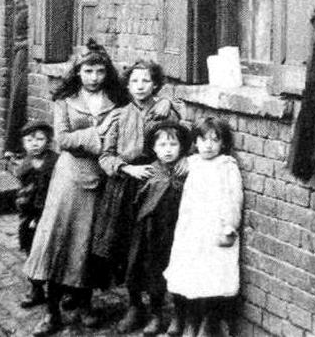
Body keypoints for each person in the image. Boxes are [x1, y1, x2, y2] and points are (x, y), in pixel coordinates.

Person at [23, 39, 129, 337]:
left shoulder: (117, 101)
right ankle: (52, 312)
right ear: (78, 72)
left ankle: (84, 304)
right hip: (70, 180)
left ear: (107, 73)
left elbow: (121, 138)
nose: (94, 77)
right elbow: (63, 140)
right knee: (60, 241)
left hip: (101, 178)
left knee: (89, 245)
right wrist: (97, 133)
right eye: (88, 71)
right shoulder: (65, 101)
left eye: (99, 71)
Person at [92, 60, 179, 294]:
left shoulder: (165, 111)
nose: (140, 86)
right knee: (127, 246)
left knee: (153, 246)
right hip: (125, 186)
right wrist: (126, 168)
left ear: (155, 85)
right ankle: (134, 304)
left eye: (146, 81)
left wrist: (168, 102)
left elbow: (177, 144)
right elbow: (106, 156)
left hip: (155, 186)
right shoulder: (119, 115)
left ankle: (157, 308)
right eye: (134, 81)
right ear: (128, 86)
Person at [164, 117, 243, 337]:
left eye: (214, 140)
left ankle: (208, 322)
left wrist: (229, 226)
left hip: (214, 230)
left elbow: (234, 200)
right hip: (191, 229)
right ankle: (188, 318)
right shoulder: (192, 163)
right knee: (189, 273)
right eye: (203, 139)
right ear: (195, 142)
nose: (208, 145)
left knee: (211, 276)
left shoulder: (227, 167)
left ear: (223, 144)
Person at [118, 121, 191, 336]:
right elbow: (137, 205)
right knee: (152, 273)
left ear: (182, 147)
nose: (168, 150)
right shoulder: (149, 171)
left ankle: (179, 316)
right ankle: (156, 315)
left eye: (173, 144)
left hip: (178, 233)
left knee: (179, 273)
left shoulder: (186, 170)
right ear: (153, 147)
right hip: (151, 233)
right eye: (162, 145)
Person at [14, 120, 59, 310]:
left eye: (40, 139)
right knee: (31, 249)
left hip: (50, 213)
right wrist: (27, 214)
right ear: (24, 143)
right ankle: (36, 288)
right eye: (29, 140)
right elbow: (23, 193)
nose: (34, 143)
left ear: (48, 142)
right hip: (29, 215)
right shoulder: (24, 165)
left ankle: (59, 290)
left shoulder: (55, 162)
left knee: (52, 250)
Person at [4, 0, 30, 155]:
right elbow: (18, 41)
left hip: (25, 55)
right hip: (23, 57)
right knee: (19, 97)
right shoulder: (23, 15)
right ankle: (13, 145)